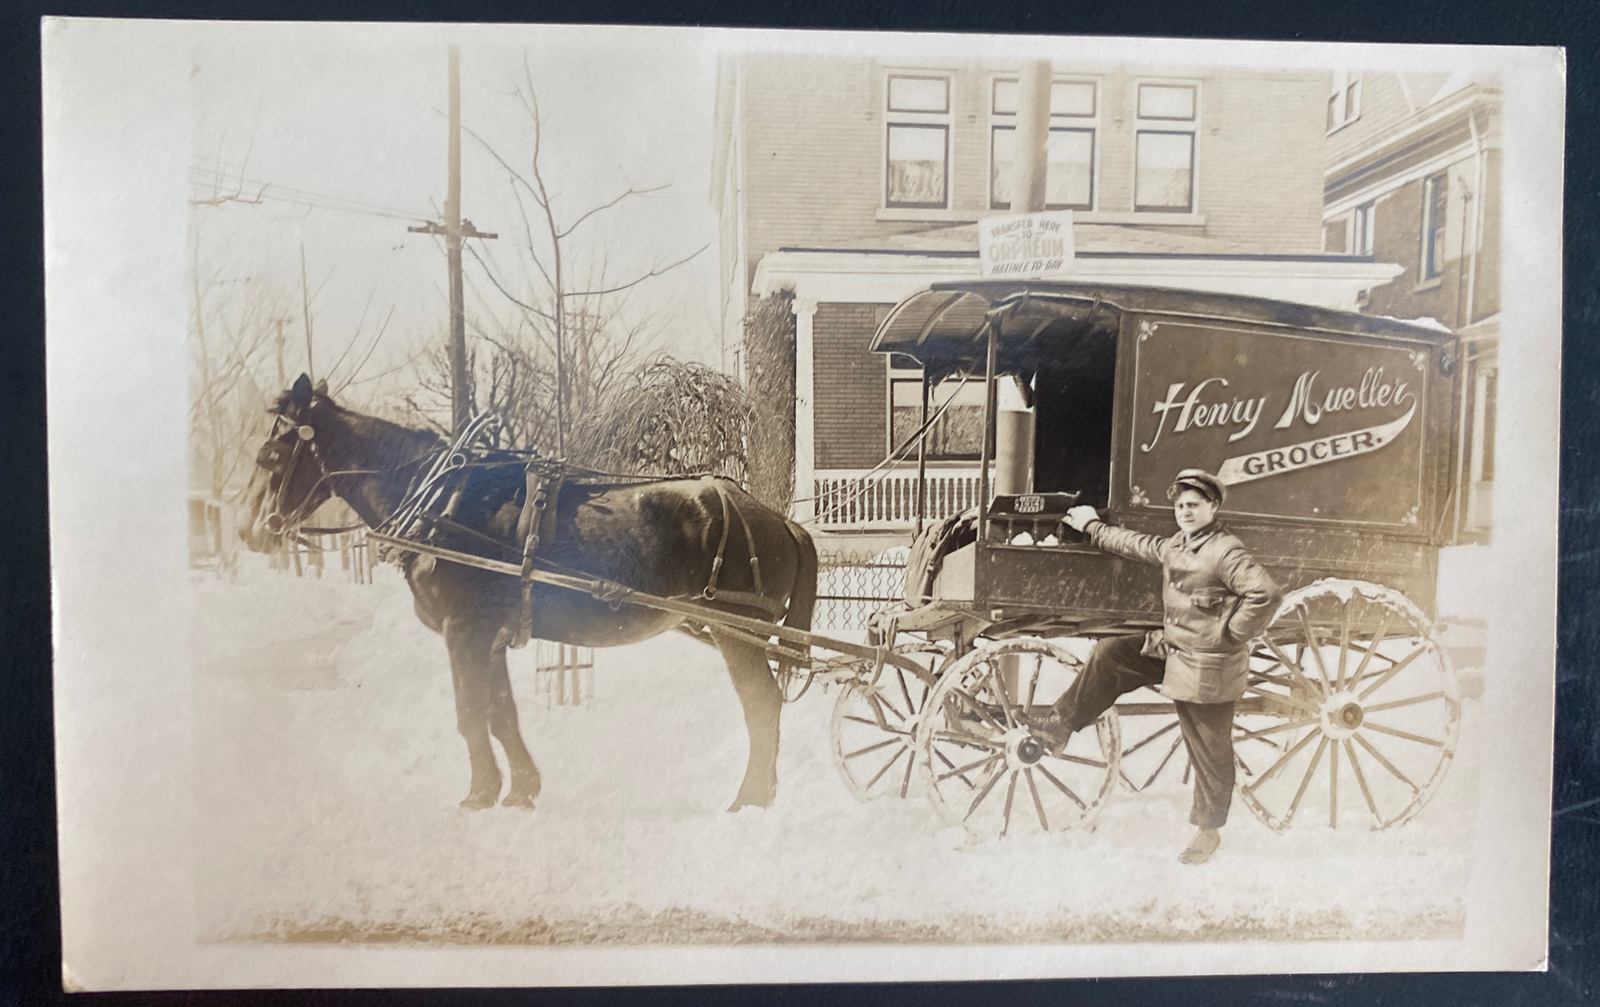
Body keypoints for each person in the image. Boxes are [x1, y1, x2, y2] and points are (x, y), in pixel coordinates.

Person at [1034, 469, 1281, 865]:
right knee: (1112, 652)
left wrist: (1231, 634)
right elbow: (1139, 544)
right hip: (1174, 652)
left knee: (1209, 747)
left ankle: (1209, 830)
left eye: (1194, 506)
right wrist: (1093, 526)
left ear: (1213, 508)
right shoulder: (1181, 544)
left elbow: (1265, 593)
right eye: (1180, 505)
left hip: (1207, 666)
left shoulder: (1225, 550)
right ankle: (1062, 725)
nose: (1185, 511)